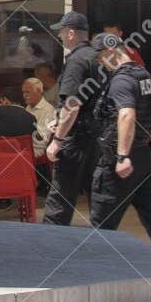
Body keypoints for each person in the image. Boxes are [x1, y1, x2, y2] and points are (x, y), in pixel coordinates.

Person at [89, 33, 151, 257]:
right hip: (143, 157)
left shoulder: (121, 80)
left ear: (110, 52)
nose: (99, 63)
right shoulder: (143, 74)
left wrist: (121, 156)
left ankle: (97, 273)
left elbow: (127, 114)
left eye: (100, 57)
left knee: (102, 224)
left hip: (122, 160)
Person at [43, 12, 104, 225]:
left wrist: (57, 141)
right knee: (97, 197)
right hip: (98, 137)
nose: (59, 35)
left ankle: (49, 247)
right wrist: (59, 119)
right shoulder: (98, 57)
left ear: (71, 33)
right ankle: (106, 243)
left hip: (76, 138)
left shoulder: (76, 60)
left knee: (60, 199)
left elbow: (73, 105)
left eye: (61, 31)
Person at [21, 76, 56, 155]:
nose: (24, 95)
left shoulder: (49, 110)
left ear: (39, 91)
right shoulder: (28, 107)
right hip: (25, 146)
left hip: (36, 150)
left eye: (27, 92)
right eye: (23, 92)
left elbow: (42, 140)